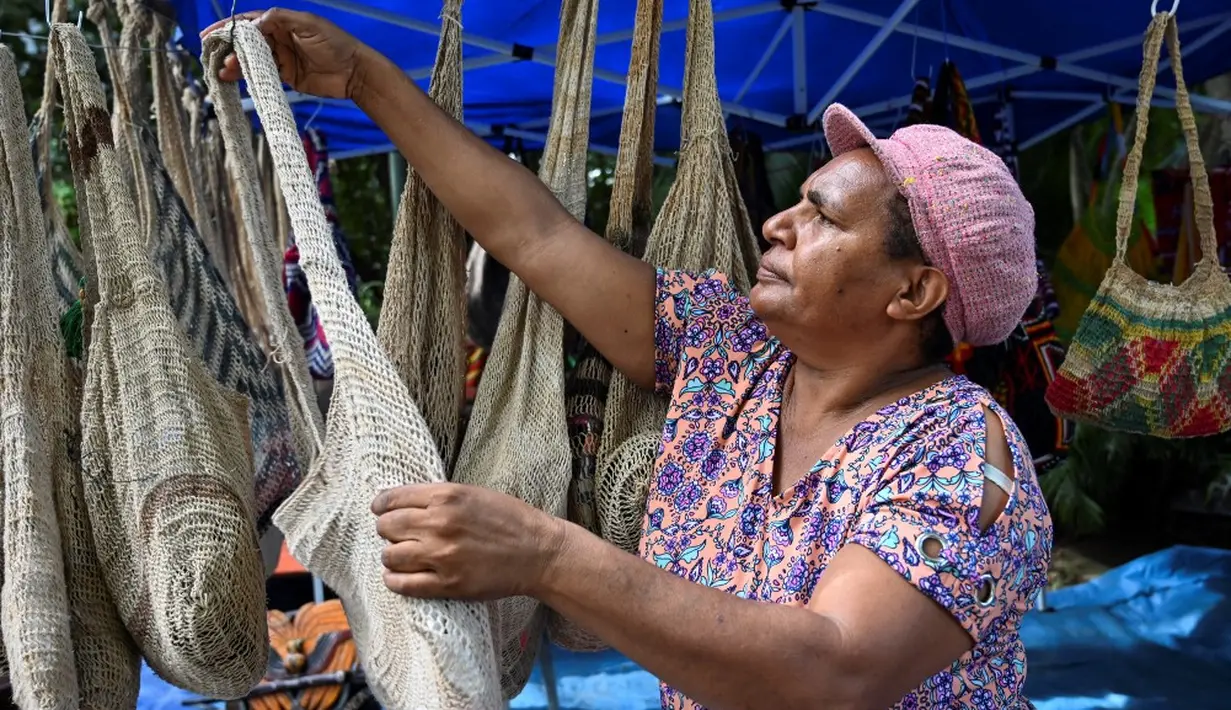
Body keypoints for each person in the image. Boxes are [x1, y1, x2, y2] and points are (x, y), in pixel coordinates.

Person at [206, 10, 1053, 709]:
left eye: (822, 218)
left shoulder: (958, 456)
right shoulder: (730, 351)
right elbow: (530, 234)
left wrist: (546, 554)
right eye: (796, 202)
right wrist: (363, 77)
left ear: (912, 294)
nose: (775, 225)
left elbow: (830, 672)